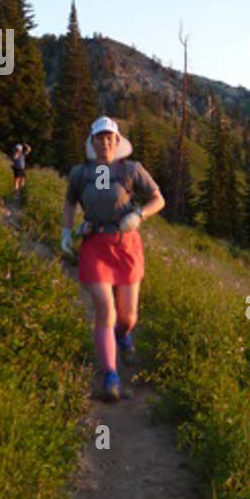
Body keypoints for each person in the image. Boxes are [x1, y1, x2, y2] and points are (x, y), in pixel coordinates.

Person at [60, 117, 165, 401]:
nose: (105, 142)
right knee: (105, 309)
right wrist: (66, 232)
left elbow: (158, 198)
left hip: (126, 245)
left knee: (128, 316)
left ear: (118, 142)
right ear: (92, 142)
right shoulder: (80, 174)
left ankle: (123, 334)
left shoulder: (131, 169)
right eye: (100, 138)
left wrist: (139, 214)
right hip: (95, 245)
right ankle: (110, 375)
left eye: (110, 138)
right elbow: (70, 202)